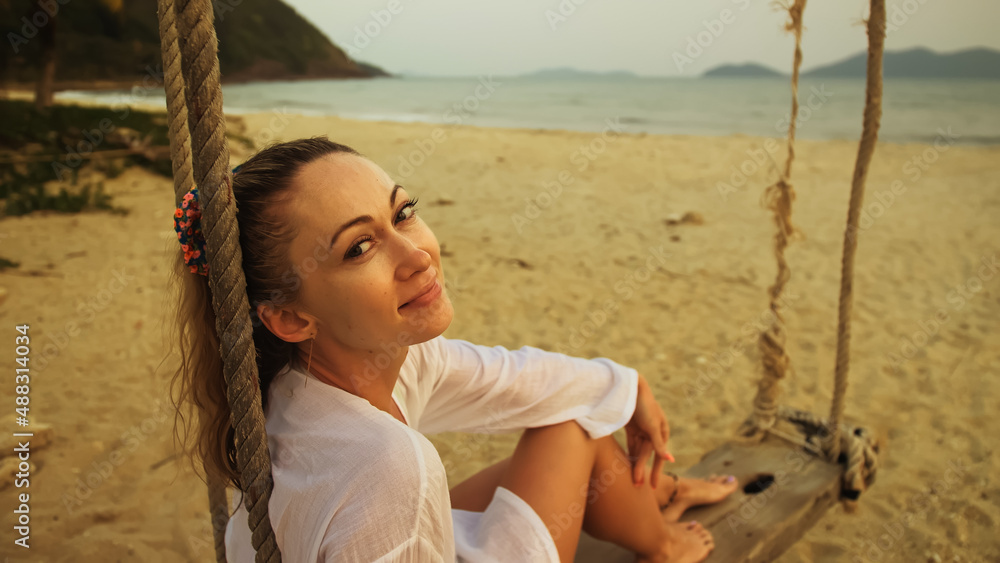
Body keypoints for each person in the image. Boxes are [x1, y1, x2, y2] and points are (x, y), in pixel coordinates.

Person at [171, 137, 738, 563]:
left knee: (565, 409)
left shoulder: (303, 379)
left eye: (402, 213)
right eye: (360, 247)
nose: (416, 255)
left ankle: (663, 492)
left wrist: (629, 383)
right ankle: (663, 544)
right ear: (291, 317)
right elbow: (388, 489)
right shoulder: (389, 468)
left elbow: (518, 380)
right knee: (575, 429)